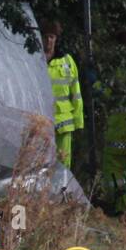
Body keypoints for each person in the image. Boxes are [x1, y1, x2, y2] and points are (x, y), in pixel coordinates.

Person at [43, 22, 84, 168]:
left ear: (56, 39)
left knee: (63, 162)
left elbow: (76, 93)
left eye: (52, 37)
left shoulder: (67, 61)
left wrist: (78, 122)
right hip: (42, 120)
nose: (49, 41)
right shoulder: (35, 60)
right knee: (41, 162)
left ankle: (62, 190)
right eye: (46, 37)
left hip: (64, 123)